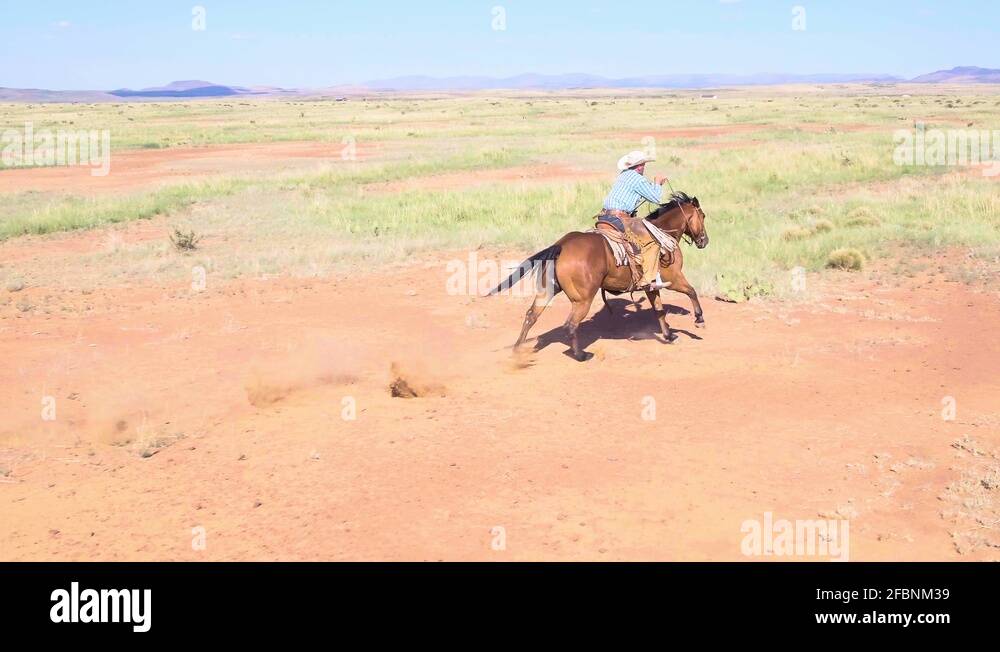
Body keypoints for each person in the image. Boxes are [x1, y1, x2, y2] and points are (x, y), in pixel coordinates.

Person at [598, 151, 671, 290]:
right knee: (652, 242)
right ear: (639, 166)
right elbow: (656, 198)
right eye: (643, 165)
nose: (644, 167)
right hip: (619, 218)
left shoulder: (624, 175)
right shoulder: (637, 179)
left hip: (604, 216)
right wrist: (657, 183)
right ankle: (648, 280)